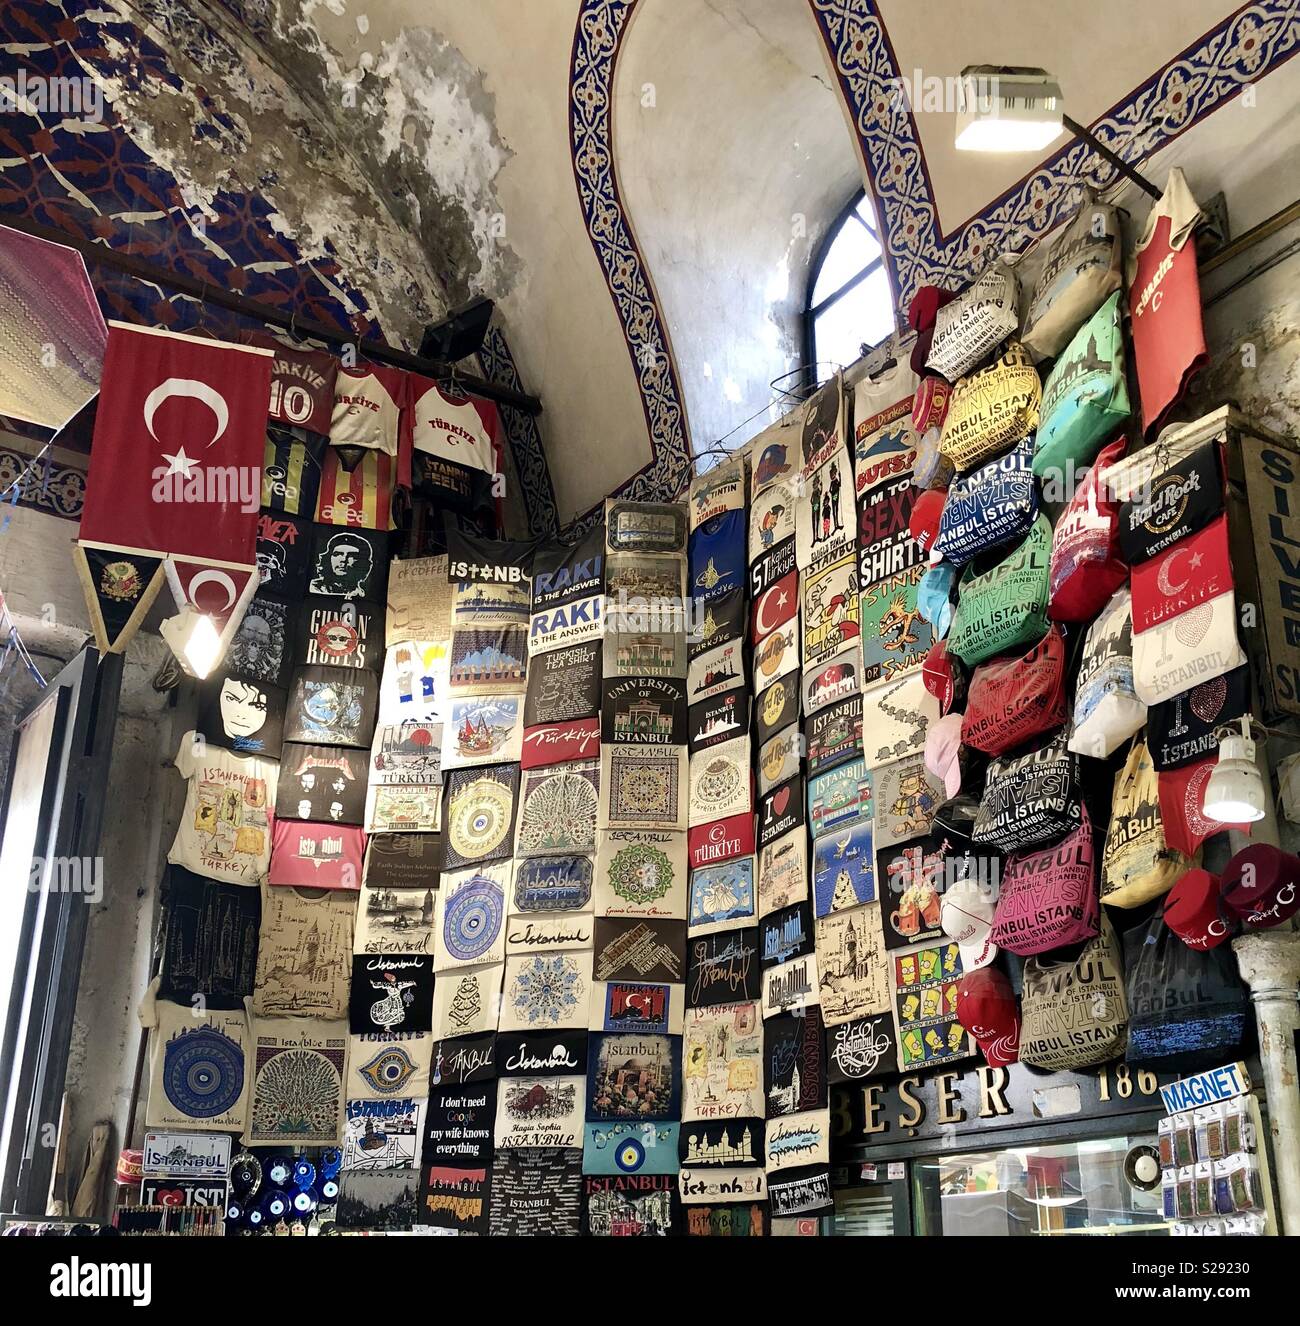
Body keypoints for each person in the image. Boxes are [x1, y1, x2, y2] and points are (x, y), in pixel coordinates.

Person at [310, 531, 373, 598]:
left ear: (363, 564)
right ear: (328, 558)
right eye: (337, 554)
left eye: (352, 555)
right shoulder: (313, 588)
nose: (343, 559)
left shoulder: (362, 596)